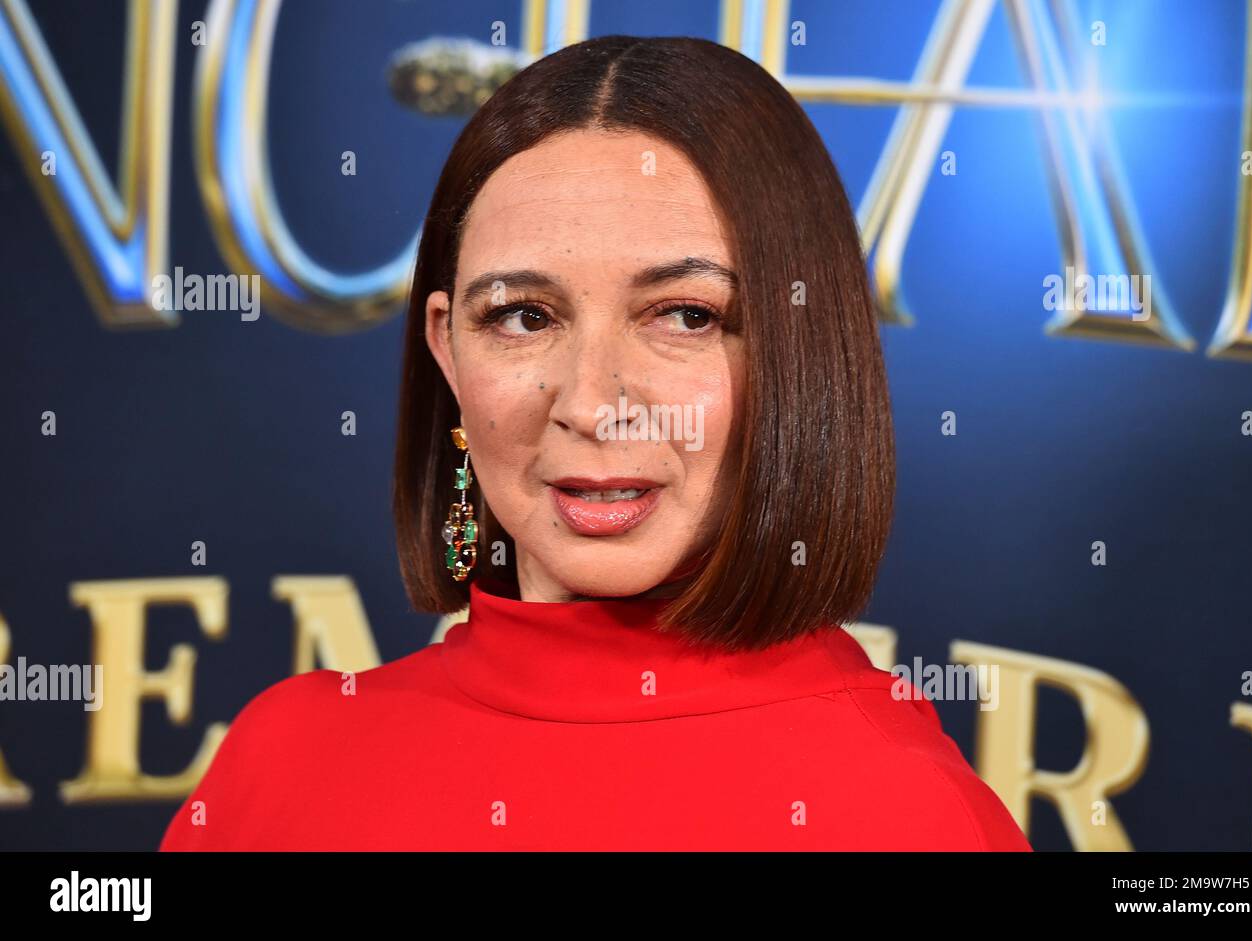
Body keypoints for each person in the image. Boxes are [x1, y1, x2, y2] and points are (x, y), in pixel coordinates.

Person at [160, 34, 1031, 851]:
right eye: (523, 317)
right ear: (447, 351)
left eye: (686, 316)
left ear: (802, 347)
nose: (592, 403)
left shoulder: (912, 819)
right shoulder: (279, 767)